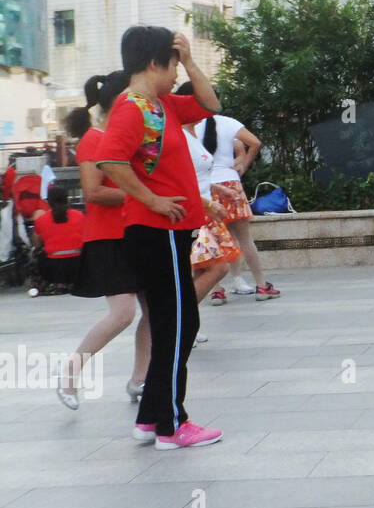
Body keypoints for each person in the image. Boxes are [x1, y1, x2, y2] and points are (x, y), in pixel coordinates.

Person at [97, 26, 223, 451]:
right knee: (179, 322)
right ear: (154, 63)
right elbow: (110, 160)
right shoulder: (132, 108)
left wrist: (189, 60)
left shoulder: (161, 104)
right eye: (172, 66)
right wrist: (152, 199)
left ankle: (151, 419)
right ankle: (172, 424)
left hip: (171, 233)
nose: (176, 76)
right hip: (158, 232)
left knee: (174, 321)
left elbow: (211, 103)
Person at [59, 72, 151, 409]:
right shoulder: (94, 140)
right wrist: (143, 195)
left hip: (135, 233)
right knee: (123, 313)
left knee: (152, 311)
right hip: (108, 238)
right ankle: (69, 373)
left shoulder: (127, 139)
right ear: (118, 101)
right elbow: (93, 192)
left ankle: (139, 380)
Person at [175, 81, 243, 344]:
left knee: (200, 272)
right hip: (194, 213)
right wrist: (207, 203)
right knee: (217, 268)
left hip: (203, 212)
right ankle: (180, 321)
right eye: (203, 98)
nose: (208, 104)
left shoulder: (191, 133)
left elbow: (196, 175)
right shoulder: (179, 135)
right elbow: (180, 181)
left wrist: (217, 190)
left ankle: (186, 324)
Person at [199, 100, 279, 304]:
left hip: (206, 188)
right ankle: (262, 285)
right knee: (245, 239)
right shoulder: (228, 123)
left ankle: (217, 290)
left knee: (212, 241)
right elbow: (255, 142)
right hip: (231, 184)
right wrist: (243, 164)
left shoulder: (190, 126)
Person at [31, 184, 85, 291]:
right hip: (77, 266)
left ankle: (43, 284)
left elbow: (37, 244)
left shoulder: (40, 220)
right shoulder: (80, 216)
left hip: (54, 269)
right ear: (67, 200)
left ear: (49, 202)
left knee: (35, 252)